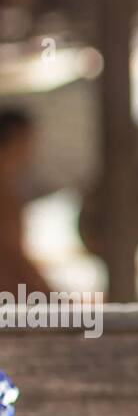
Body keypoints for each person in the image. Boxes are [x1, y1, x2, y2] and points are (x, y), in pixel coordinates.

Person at [0, 108, 53, 297]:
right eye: (28, 141)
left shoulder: (9, 193)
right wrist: (55, 301)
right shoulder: (5, 198)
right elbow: (14, 258)